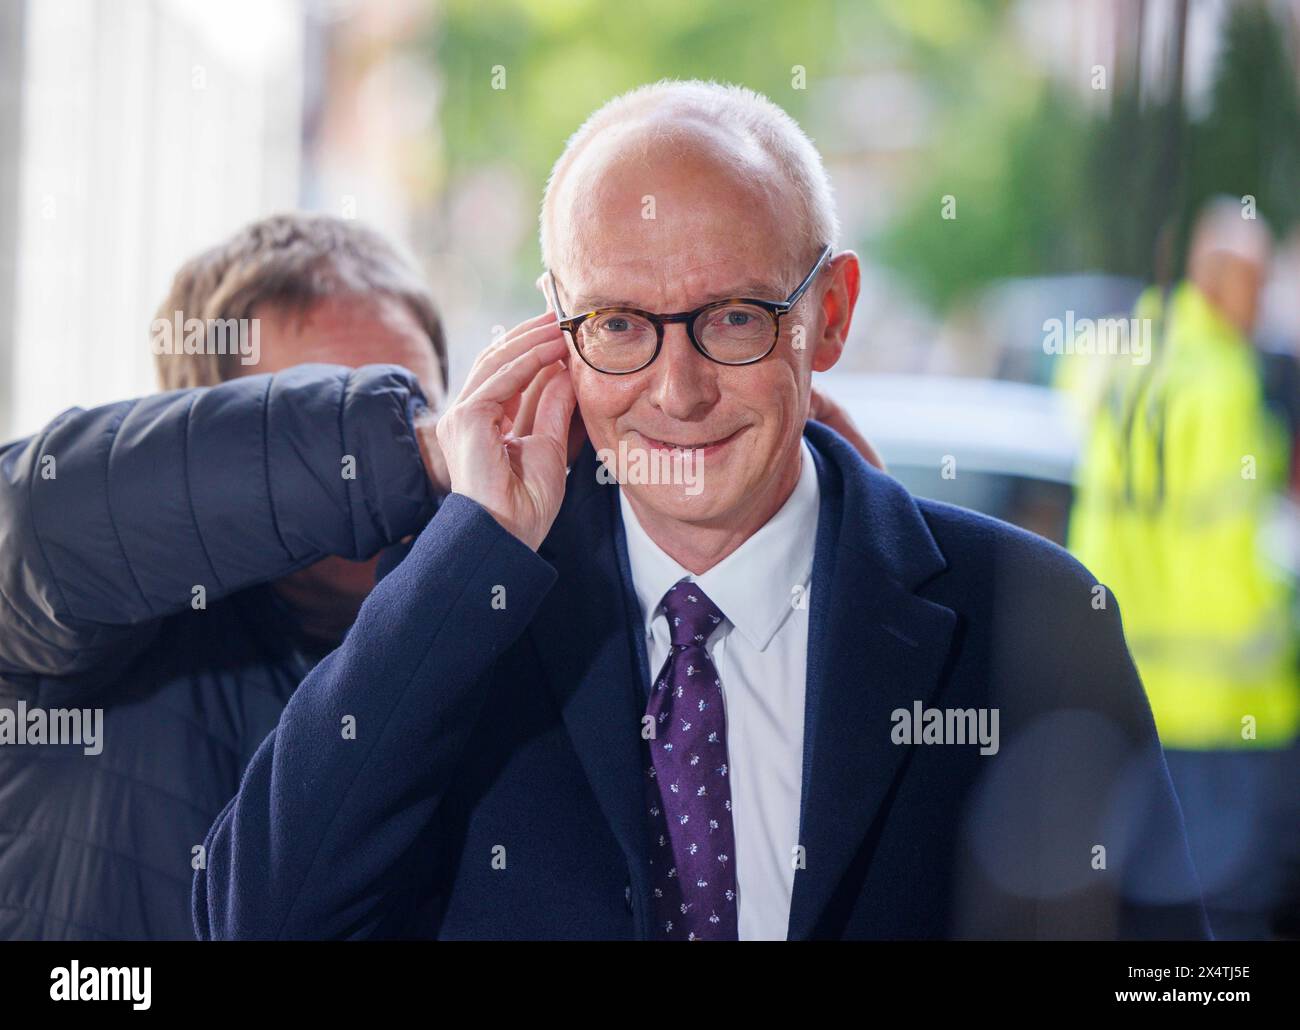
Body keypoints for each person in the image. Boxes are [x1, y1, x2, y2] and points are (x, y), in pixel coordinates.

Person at [195, 82, 1207, 941]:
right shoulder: (464, 603)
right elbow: (257, 918)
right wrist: (472, 548)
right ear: (556, 331)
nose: (676, 392)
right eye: (620, 324)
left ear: (832, 316)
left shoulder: (1030, 618)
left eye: (734, 318)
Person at [0, 210, 875, 941]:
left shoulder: (510, 627)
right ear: (215, 430)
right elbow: (36, 518)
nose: (425, 437)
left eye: (416, 398)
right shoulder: (92, 614)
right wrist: (409, 449)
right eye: (319, 405)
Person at [1069, 199, 1299, 939]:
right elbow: (1233, 543)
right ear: (1217, 276)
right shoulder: (1222, 377)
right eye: (1254, 284)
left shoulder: (1117, 353)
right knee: (1225, 912)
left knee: (1145, 908)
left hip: (1125, 677)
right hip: (1220, 699)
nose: (1260, 305)